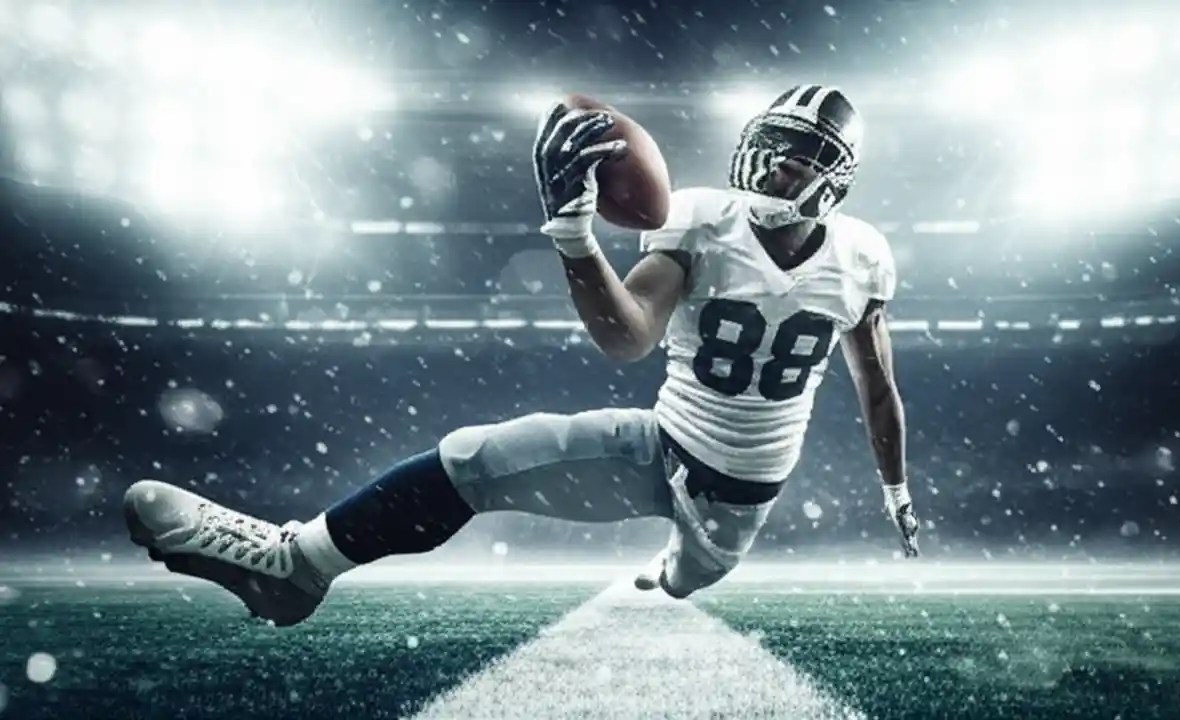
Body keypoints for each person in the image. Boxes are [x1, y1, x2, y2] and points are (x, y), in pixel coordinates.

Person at [122, 84, 919, 627]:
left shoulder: (862, 257)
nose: (779, 163)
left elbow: (876, 387)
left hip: (741, 490)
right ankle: (295, 567)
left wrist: (896, 490)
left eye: (802, 152)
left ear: (836, 177)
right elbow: (628, 335)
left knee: (687, 578)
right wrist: (573, 237)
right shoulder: (704, 219)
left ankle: (671, 569)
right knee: (475, 458)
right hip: (660, 440)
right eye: (773, 143)